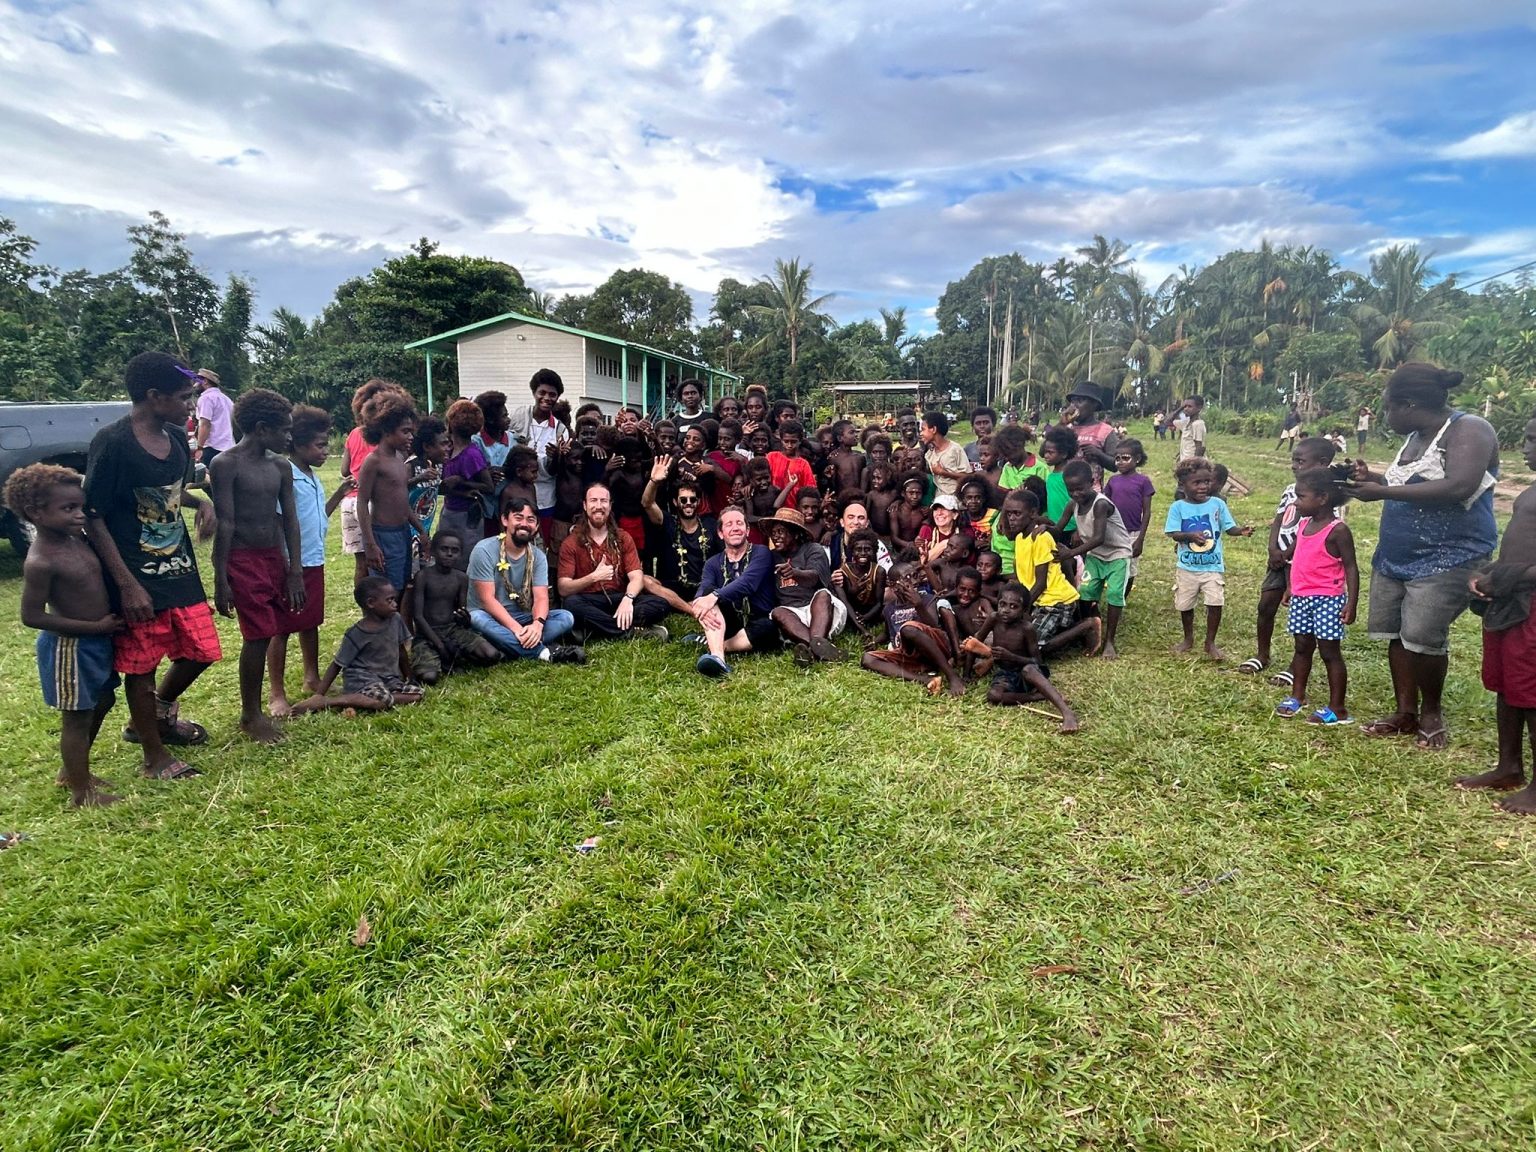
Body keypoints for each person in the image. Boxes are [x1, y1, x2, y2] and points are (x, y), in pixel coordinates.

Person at [83, 351, 220, 782]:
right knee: (140, 667)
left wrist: (200, 503)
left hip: (179, 569)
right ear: (154, 395)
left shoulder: (178, 438)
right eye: (184, 397)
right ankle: (154, 756)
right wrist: (126, 585)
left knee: (202, 650)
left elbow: (170, 491)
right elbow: (93, 515)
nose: (190, 406)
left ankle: (155, 717)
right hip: (136, 575)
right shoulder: (113, 443)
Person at [1350, 363, 1500, 749]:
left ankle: (1431, 712)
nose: (1386, 416)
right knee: (1397, 634)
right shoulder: (1417, 435)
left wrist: (1383, 493)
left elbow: (1459, 486)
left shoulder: (1469, 429)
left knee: (1422, 635)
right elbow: (1412, 484)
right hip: (1398, 554)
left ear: (1409, 404)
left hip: (1448, 554)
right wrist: (1377, 481)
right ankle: (1405, 712)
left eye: (1389, 408)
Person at [6, 464, 125, 806]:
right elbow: (31, 616)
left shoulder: (77, 539)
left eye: (80, 507)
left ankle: (73, 772)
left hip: (97, 642)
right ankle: (80, 792)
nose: (78, 515)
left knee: (103, 700)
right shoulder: (41, 561)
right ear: (35, 513)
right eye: (68, 509)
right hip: (70, 648)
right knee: (76, 716)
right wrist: (96, 628)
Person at [209, 388, 304, 745]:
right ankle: (251, 714)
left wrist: (294, 569)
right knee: (258, 634)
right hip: (242, 559)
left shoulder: (280, 466)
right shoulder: (225, 464)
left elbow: (290, 520)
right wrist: (221, 578)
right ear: (263, 428)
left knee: (273, 627)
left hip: (273, 557)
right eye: (285, 430)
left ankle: (253, 712)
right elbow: (226, 523)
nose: (290, 437)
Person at [1458, 417, 1536, 811]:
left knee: (1532, 692)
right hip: (1510, 600)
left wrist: (1510, 577)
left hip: (1530, 603)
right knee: (1507, 685)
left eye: (1533, 440)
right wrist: (1489, 573)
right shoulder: (1530, 490)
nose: (1525, 447)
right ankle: (1508, 766)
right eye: (1525, 437)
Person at [268, 405, 349, 718]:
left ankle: (311, 676)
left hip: (314, 561)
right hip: (292, 566)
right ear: (297, 444)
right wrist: (292, 568)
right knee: (283, 626)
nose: (325, 450)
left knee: (311, 620)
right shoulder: (286, 475)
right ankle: (276, 693)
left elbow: (319, 519)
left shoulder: (312, 477)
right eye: (319, 445)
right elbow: (279, 524)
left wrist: (339, 494)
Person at [1236, 436, 1339, 680]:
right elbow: (1280, 520)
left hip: (1307, 566)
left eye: (1300, 461)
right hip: (1279, 561)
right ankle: (1262, 655)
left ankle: (1296, 666)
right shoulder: (1291, 490)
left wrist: (1290, 551)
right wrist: (1273, 550)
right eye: (1293, 460)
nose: (1294, 465)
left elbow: (1318, 528)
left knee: (1303, 620)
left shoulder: (1330, 495)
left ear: (1322, 463)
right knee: (1265, 606)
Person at [1273, 469, 1359, 726]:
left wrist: (1351, 603)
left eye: (1301, 497)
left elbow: (1351, 567)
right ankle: (1298, 696)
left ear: (1322, 498)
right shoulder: (1302, 525)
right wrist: (1290, 587)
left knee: (1329, 652)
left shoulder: (1338, 530)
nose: (1296, 502)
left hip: (1328, 600)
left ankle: (1338, 708)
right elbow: (1297, 559)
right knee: (1301, 647)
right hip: (1301, 598)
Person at [468, 495, 584, 662]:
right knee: (476, 618)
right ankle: (545, 653)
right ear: (505, 520)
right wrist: (516, 629)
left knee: (565, 617)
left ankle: (507, 646)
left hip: (522, 617)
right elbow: (487, 600)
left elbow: (541, 597)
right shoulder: (484, 550)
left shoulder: (537, 556)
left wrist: (537, 625)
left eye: (531, 519)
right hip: (490, 617)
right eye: (518, 517)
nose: (524, 523)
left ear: (536, 526)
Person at [1165, 456, 1255, 659]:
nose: (1203, 486)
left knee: (1215, 603)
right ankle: (1188, 639)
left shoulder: (1217, 504)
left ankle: (1210, 643)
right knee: (1185, 605)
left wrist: (1241, 531)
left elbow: (1228, 528)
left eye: (1207, 481)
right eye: (1197, 482)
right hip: (1187, 567)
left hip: (1212, 566)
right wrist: (1190, 535)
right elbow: (1172, 533)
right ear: (1183, 484)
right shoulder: (1178, 507)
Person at [292, 577, 424, 713]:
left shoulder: (396, 620)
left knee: (417, 694)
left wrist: (410, 678)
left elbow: (401, 651)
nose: (395, 604)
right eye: (389, 600)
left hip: (388, 678)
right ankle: (329, 701)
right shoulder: (356, 633)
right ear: (371, 603)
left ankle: (361, 700)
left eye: (394, 599)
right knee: (380, 702)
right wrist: (319, 694)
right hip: (363, 679)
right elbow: (337, 664)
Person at [558, 483, 670, 642]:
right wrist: (593, 577)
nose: (598, 506)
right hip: (589, 600)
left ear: (610, 506)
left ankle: (595, 629)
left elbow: (637, 577)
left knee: (660, 604)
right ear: (585, 505)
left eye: (603, 501)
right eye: (593, 501)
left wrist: (628, 599)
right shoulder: (571, 543)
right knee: (571, 604)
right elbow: (563, 588)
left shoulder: (623, 538)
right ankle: (630, 632)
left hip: (619, 598)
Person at [963, 581, 1080, 733]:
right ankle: (1037, 696)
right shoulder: (994, 618)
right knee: (994, 696)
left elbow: (1037, 661)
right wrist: (966, 675)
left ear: (1024, 610)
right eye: (1002, 604)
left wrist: (1012, 657)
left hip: (1027, 670)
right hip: (1006, 673)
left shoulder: (1027, 628)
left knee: (1028, 670)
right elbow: (975, 643)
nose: (1005, 610)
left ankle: (1067, 713)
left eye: (1013, 606)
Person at [690, 504, 778, 677]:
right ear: (721, 533)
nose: (735, 528)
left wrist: (713, 596)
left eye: (739, 523)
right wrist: (701, 603)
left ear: (747, 530)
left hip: (758, 622)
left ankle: (714, 645)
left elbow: (748, 583)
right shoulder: (713, 563)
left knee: (768, 628)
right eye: (729, 524)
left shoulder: (762, 553)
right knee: (707, 592)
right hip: (728, 621)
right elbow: (702, 592)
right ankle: (718, 658)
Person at [1057, 460, 1133, 658]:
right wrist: (1040, 525)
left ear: (1092, 482)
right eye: (1070, 489)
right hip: (1095, 556)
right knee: (1086, 593)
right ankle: (1087, 630)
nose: (1075, 494)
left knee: (1115, 593)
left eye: (1080, 488)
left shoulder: (1101, 504)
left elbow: (1098, 538)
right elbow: (1058, 529)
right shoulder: (1072, 504)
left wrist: (1071, 553)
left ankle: (1110, 641)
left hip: (1117, 554)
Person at [355, 390, 425, 597]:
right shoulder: (373, 461)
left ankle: (397, 628)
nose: (411, 437)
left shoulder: (401, 458)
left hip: (403, 532)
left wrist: (420, 529)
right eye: (405, 431)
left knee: (402, 587)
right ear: (386, 430)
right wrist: (370, 544)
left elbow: (402, 502)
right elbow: (362, 502)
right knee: (385, 591)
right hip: (383, 535)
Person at [859, 560, 966, 696]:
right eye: (908, 578)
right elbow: (888, 633)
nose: (914, 581)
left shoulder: (927, 599)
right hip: (910, 655)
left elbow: (933, 626)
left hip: (936, 648)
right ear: (893, 585)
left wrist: (919, 606)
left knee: (908, 629)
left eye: (915, 575)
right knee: (868, 659)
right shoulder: (889, 608)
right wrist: (875, 641)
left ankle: (952, 676)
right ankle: (925, 679)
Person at [410, 531, 501, 683]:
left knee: (492, 655)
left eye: (455, 551)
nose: (449, 554)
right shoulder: (423, 576)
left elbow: (460, 612)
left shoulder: (461, 578)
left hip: (452, 630)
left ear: (460, 554)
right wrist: (440, 645)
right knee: (429, 677)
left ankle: (453, 657)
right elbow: (418, 616)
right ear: (433, 551)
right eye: (444, 549)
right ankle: (442, 658)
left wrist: (464, 619)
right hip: (427, 633)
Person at [340, 379, 405, 586]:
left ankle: (368, 610)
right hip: (370, 505)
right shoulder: (382, 448)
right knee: (378, 563)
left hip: (350, 501)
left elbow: (344, 470)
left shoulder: (354, 434)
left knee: (362, 565)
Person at [764, 507, 846, 664]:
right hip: (792, 618)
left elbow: (814, 578)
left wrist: (794, 573)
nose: (775, 536)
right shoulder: (771, 556)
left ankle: (811, 647)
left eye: (781, 531)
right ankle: (819, 648)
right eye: (773, 533)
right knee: (778, 612)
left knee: (823, 595)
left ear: (795, 533)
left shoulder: (813, 549)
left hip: (820, 612)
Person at [641, 456, 720, 613]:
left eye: (693, 499)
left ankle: (684, 606)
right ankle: (691, 609)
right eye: (683, 500)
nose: (688, 503)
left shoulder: (710, 524)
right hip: (673, 588)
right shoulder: (668, 521)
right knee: (644, 581)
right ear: (676, 502)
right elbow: (647, 503)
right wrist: (654, 481)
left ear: (698, 502)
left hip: (703, 588)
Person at [505, 369, 571, 543]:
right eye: (542, 392)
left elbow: (556, 471)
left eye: (552, 394)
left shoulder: (560, 430)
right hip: (516, 493)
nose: (547, 398)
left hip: (545, 498)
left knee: (540, 543)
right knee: (515, 541)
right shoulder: (520, 415)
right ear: (534, 392)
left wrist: (555, 457)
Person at [436, 399, 493, 571]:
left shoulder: (471, 454)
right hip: (448, 512)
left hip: (467, 518)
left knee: (464, 561)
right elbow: (441, 488)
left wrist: (463, 482)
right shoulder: (448, 450)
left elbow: (488, 486)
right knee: (443, 558)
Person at [1103, 438, 1154, 595]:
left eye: (1125, 458)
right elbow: (1104, 504)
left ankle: (1121, 598)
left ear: (1137, 459)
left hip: (1132, 533)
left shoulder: (1143, 481)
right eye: (1117, 458)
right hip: (1112, 530)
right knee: (1111, 562)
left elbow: (1147, 511)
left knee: (1129, 568)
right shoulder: (1112, 480)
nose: (1120, 462)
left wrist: (1140, 539)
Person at [834, 527, 887, 643]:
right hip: (850, 613)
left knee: (887, 610)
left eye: (867, 549)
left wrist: (866, 617)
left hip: (872, 614)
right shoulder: (844, 571)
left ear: (874, 551)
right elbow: (845, 602)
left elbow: (879, 603)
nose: (863, 553)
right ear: (852, 551)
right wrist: (854, 590)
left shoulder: (879, 572)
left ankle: (861, 624)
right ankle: (859, 627)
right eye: (858, 549)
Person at [1060, 383, 1121, 477]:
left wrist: (1098, 454)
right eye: (1072, 401)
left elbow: (1116, 465)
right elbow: (1044, 451)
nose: (1074, 406)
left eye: (1080, 401)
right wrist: (1061, 424)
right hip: (1063, 489)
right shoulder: (1066, 428)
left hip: (1092, 489)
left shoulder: (1106, 431)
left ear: (1094, 405)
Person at [192, 368, 235, 470]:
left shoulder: (206, 398)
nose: (194, 385)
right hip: (229, 447)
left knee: (207, 480)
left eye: (197, 382)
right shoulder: (226, 399)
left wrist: (199, 448)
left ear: (205, 381)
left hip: (212, 447)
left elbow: (205, 424)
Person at [920, 411, 970, 499]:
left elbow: (967, 476)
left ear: (934, 429)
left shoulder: (955, 449)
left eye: (923, 429)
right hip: (940, 501)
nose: (921, 433)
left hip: (956, 500)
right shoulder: (929, 454)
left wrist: (942, 472)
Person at [1177, 396, 1207, 462]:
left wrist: (1194, 465)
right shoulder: (1186, 421)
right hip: (1185, 461)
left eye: (1190, 406)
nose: (1186, 409)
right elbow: (1167, 421)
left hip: (1191, 463)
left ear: (1199, 408)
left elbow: (1199, 448)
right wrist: (1180, 408)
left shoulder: (1198, 424)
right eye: (1185, 406)